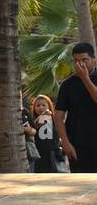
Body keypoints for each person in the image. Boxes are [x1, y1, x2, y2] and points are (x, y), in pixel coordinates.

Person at [54, 42, 97, 173]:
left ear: (94, 60)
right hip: (77, 144)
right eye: (76, 61)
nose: (80, 64)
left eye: (84, 60)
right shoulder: (67, 85)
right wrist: (65, 143)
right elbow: (58, 116)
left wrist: (85, 78)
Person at [30, 95, 62, 173]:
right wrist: (43, 115)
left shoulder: (53, 120)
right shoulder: (34, 120)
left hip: (52, 152)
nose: (41, 107)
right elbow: (36, 125)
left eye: (44, 105)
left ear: (49, 106)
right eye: (38, 105)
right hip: (39, 153)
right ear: (34, 108)